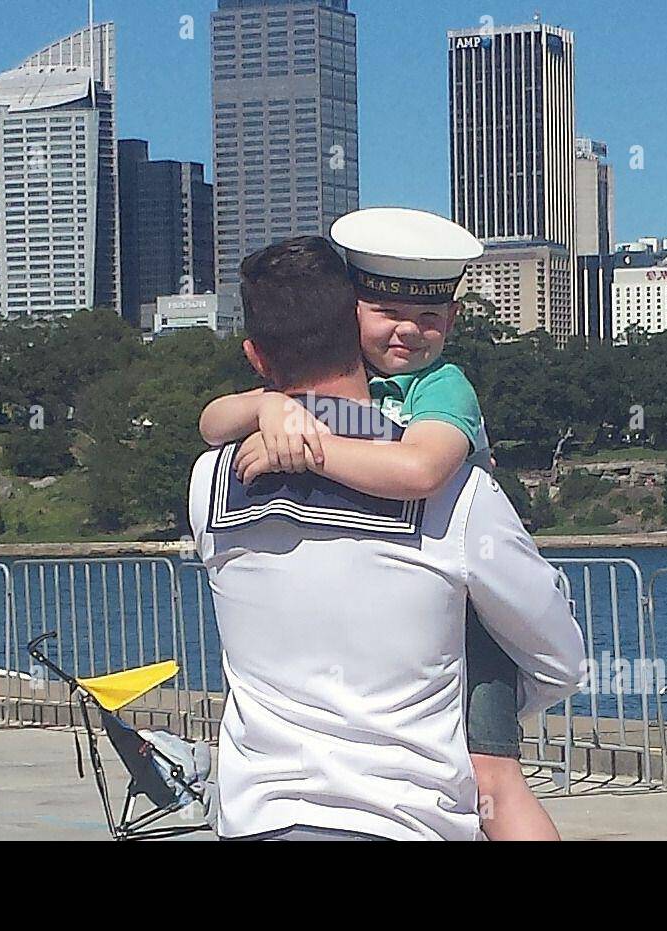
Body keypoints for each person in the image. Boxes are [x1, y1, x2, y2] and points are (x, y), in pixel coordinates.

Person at [188, 234, 584, 840]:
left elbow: (221, 421)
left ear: (256, 357)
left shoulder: (211, 481)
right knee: (501, 780)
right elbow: (558, 655)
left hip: (259, 822)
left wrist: (284, 418)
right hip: (408, 820)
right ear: (356, 326)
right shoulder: (457, 490)